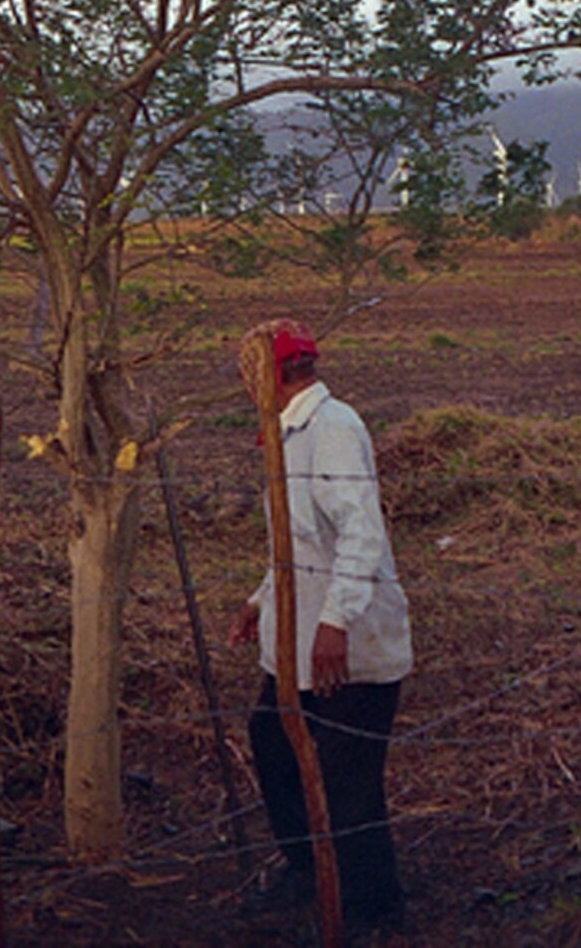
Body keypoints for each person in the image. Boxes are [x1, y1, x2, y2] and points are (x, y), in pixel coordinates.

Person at [230, 318, 412, 928]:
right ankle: (309, 872)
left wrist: (335, 621)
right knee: (274, 744)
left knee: (347, 780)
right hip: (298, 638)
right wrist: (260, 601)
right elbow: (298, 540)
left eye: (249, 369)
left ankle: (372, 913)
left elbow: (362, 530)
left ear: (276, 372)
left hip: (346, 644)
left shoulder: (332, 429)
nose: (242, 382)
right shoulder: (286, 432)